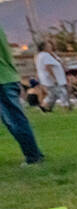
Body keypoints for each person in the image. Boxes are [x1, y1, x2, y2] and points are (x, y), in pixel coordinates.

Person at [0, 24, 45, 165]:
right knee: (14, 120)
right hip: (7, 77)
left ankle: (33, 157)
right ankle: (34, 154)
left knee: (14, 120)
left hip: (2, 80)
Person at [35, 41, 71, 112]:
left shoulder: (45, 55)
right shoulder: (45, 55)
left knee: (53, 95)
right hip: (51, 79)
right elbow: (48, 67)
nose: (50, 47)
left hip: (50, 79)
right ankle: (66, 107)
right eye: (48, 46)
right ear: (44, 47)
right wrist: (54, 78)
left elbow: (58, 62)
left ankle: (45, 107)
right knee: (62, 92)